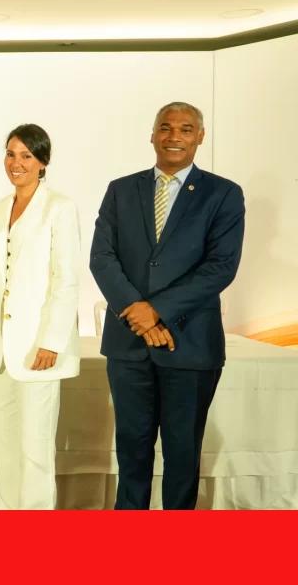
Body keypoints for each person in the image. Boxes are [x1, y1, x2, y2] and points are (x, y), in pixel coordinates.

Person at [90, 101, 245, 509]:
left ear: (200, 137)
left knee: (182, 456)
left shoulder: (224, 194)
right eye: (166, 127)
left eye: (186, 129)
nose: (174, 136)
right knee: (132, 453)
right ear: (153, 134)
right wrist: (138, 314)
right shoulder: (121, 189)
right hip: (128, 346)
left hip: (190, 346)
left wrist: (155, 310)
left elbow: (221, 267)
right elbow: (102, 258)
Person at [0, 124, 81, 509]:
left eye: (26, 156)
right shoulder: (0, 208)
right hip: (1, 347)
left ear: (43, 162)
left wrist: (52, 340)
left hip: (38, 347)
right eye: (11, 154)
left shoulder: (59, 207)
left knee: (35, 449)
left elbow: (66, 279)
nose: (16, 163)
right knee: (4, 444)